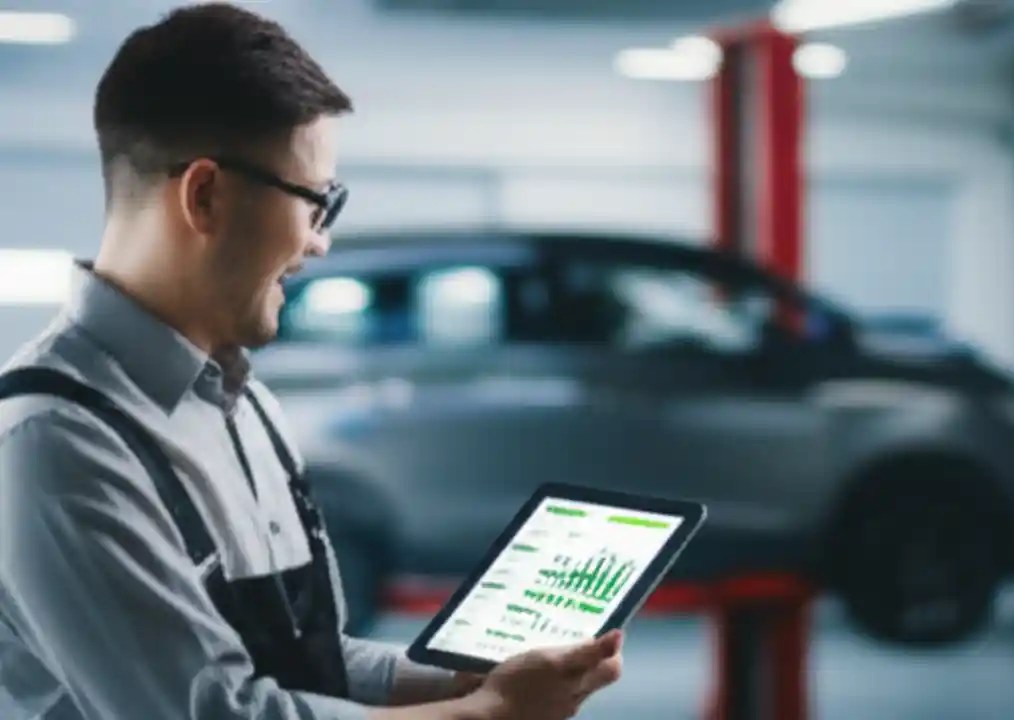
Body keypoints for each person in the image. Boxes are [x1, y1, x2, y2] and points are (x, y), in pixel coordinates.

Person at [0, 4, 622, 719]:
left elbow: (309, 661)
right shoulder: (53, 442)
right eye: (315, 202)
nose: (321, 242)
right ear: (205, 196)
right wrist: (491, 714)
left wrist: (468, 682)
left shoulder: (243, 404)